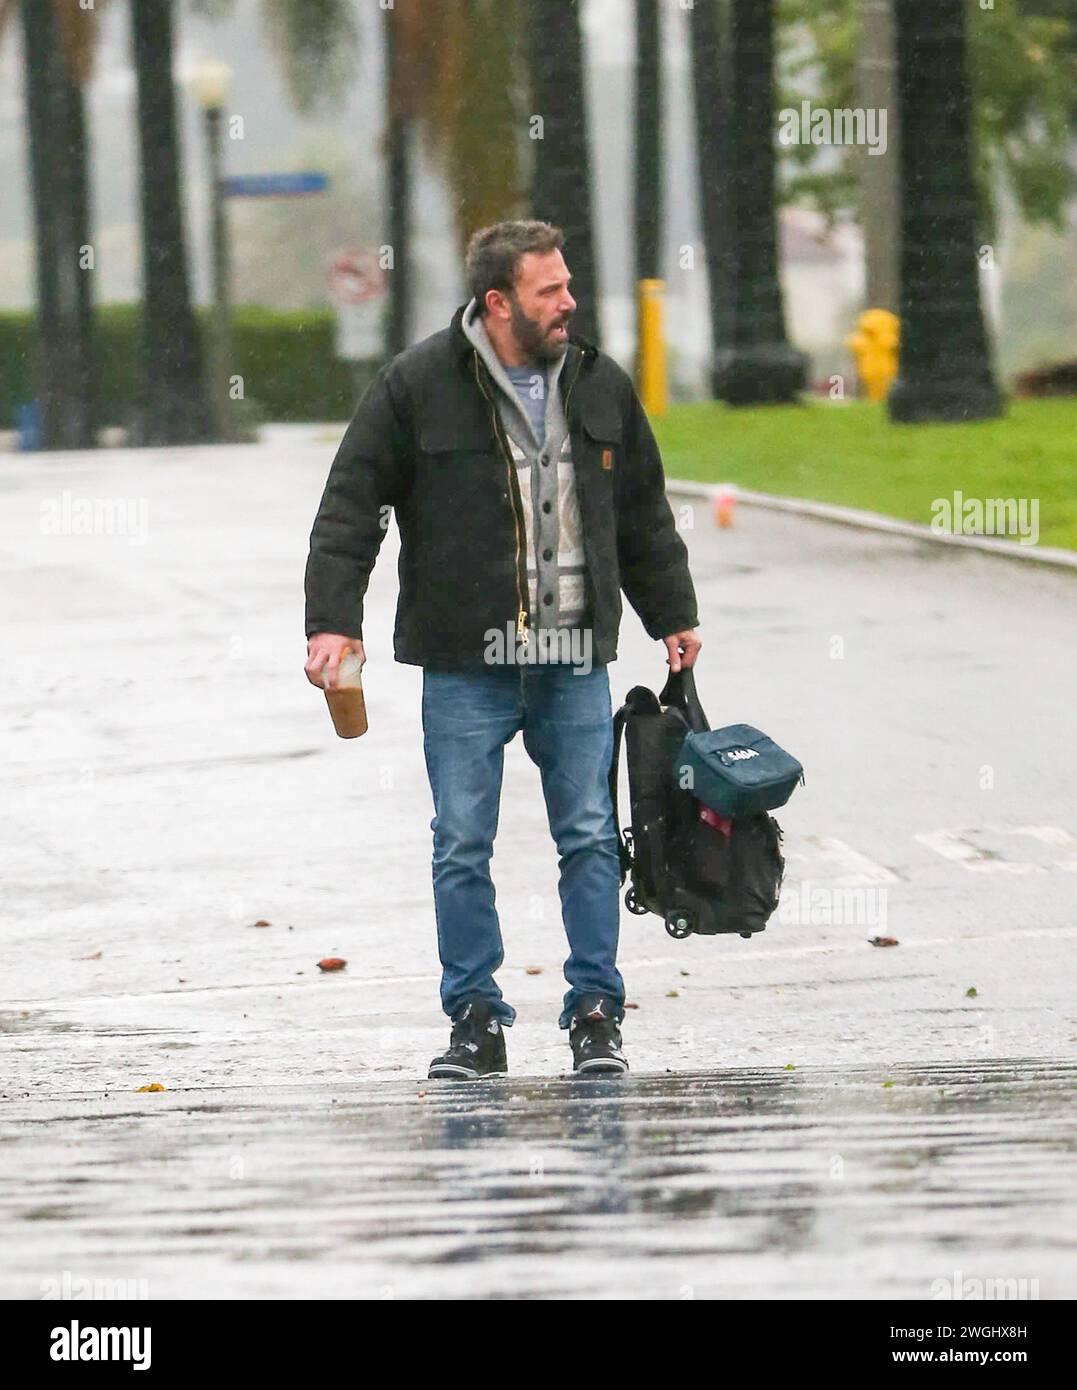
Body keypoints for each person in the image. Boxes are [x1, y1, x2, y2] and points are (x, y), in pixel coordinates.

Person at [304, 219, 700, 1079]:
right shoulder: (416, 385)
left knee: (592, 836)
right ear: (497, 302)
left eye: (566, 285)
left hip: (571, 663)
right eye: (548, 290)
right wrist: (332, 622)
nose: (567, 302)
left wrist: (671, 612)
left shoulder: (599, 383)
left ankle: (596, 1010)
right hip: (464, 664)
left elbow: (641, 512)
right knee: (460, 842)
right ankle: (475, 1019)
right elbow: (349, 507)